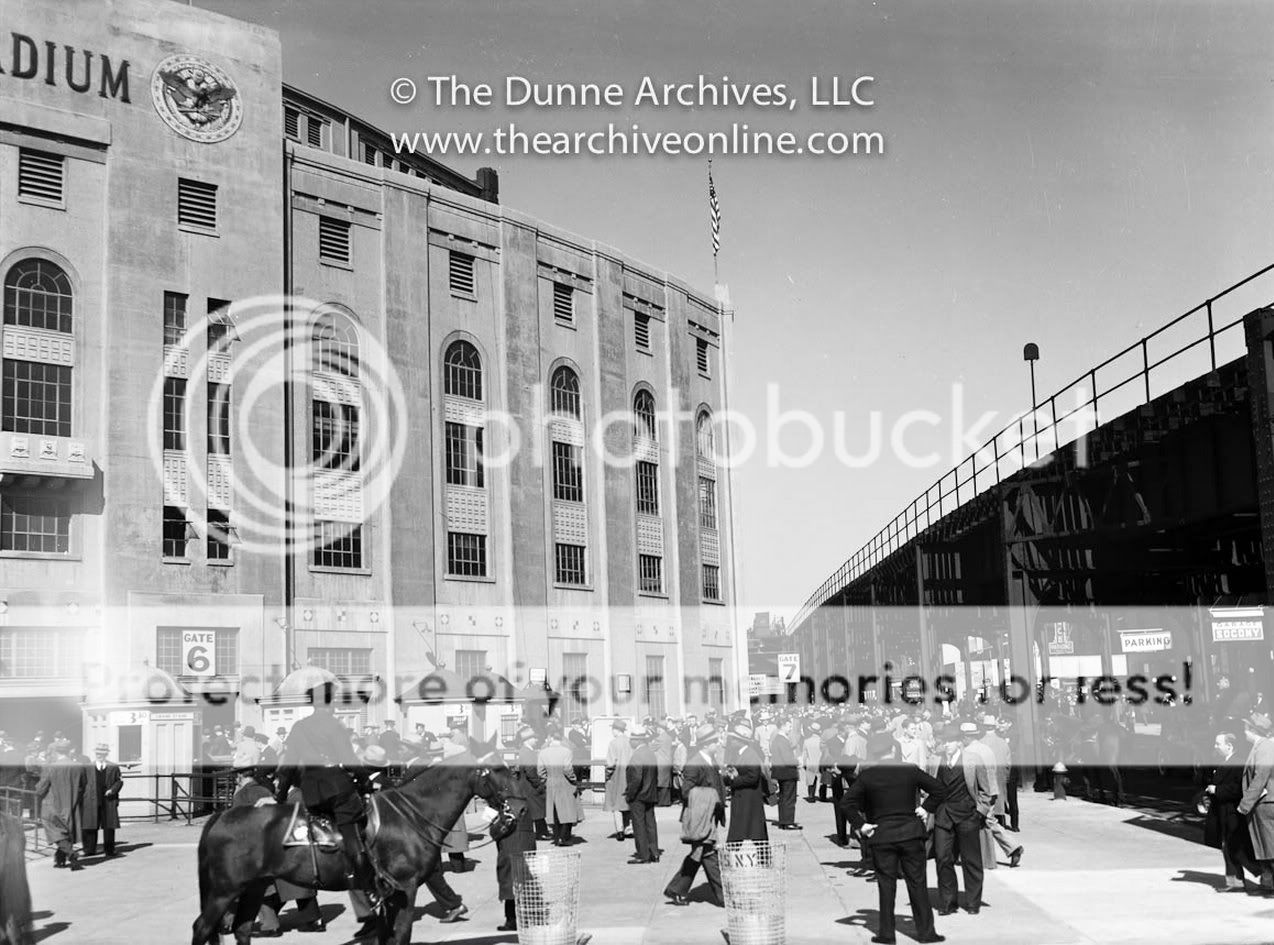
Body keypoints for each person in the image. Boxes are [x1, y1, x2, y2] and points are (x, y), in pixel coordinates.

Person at [273, 683, 378, 905]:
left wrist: (280, 797)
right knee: (352, 836)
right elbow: (349, 759)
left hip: (312, 792)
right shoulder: (334, 725)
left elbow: (287, 767)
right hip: (337, 788)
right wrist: (365, 779)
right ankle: (368, 887)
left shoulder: (299, 727)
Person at [841, 732, 947, 945]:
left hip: (882, 835)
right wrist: (925, 809)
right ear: (892, 750)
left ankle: (887, 934)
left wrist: (862, 825)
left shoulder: (868, 776)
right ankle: (926, 933)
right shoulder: (909, 770)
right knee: (917, 883)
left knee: (886, 885)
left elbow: (846, 803)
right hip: (910, 833)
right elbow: (939, 790)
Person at [932, 723, 993, 915]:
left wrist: (980, 811)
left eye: (950, 742)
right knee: (942, 858)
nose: (947, 745)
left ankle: (973, 902)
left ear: (959, 743)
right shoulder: (936, 760)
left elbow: (985, 789)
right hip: (943, 815)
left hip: (967, 815)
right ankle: (948, 902)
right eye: (944, 741)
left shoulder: (972, 760)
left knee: (971, 860)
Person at [664, 723, 727, 907]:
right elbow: (686, 792)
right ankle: (724, 896)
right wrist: (713, 796)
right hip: (700, 819)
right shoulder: (694, 763)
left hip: (708, 817)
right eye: (716, 741)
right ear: (707, 744)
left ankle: (675, 889)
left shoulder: (710, 759)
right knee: (708, 855)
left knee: (699, 854)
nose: (718, 743)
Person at [1206, 729, 1257, 891]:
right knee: (1227, 846)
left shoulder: (1238, 763)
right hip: (1222, 812)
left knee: (1235, 847)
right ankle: (1235, 881)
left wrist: (1217, 790)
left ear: (1229, 746)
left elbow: (1239, 789)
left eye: (1218, 744)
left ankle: (1262, 872)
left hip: (1232, 813)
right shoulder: (1223, 762)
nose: (1215, 747)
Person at [35, 740, 86, 869]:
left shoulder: (50, 767)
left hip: (52, 805)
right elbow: (83, 786)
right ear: (68, 750)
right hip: (71, 803)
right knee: (66, 831)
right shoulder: (79, 766)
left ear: (55, 751)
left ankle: (71, 853)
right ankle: (59, 860)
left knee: (56, 832)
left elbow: (41, 788)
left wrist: (36, 787)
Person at [1237, 711, 1274, 889]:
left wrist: (1245, 804)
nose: (1243, 731)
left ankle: (1269, 881)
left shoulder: (1265, 747)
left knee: (1269, 846)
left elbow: (1261, 776)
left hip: (1266, 804)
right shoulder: (1261, 746)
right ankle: (1268, 881)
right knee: (1266, 846)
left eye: (1246, 727)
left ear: (1252, 729)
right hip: (1263, 803)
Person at [723, 721, 768, 843]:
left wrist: (734, 780)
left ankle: (761, 859)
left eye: (734, 739)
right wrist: (727, 776)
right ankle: (734, 854)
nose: (731, 742)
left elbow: (753, 777)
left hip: (750, 799)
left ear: (741, 741)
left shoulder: (751, 755)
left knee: (755, 832)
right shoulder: (737, 754)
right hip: (741, 798)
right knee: (739, 830)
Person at [538, 727, 582, 845]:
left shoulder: (543, 752)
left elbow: (540, 771)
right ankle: (565, 837)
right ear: (561, 738)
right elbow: (568, 768)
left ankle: (556, 837)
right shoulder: (566, 751)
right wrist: (573, 779)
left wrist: (545, 780)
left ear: (550, 738)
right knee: (568, 811)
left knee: (555, 811)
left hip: (551, 781)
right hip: (564, 782)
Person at [624, 725, 661, 864]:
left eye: (631, 739)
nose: (630, 742)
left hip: (639, 795)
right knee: (650, 824)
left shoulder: (637, 755)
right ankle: (654, 852)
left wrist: (630, 794)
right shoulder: (650, 753)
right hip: (650, 793)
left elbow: (636, 777)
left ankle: (643, 855)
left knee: (638, 825)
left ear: (637, 740)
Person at [80, 744, 122, 857]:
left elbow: (119, 781)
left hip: (108, 800)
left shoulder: (113, 767)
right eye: (98, 753)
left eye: (102, 753)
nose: (100, 755)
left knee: (109, 826)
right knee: (90, 825)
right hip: (91, 799)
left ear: (106, 754)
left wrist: (112, 790)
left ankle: (109, 850)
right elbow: (82, 783)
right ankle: (89, 850)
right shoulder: (87, 767)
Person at [515, 726, 550, 841]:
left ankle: (542, 831)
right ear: (528, 739)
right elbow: (530, 771)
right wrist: (539, 785)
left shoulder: (525, 751)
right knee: (537, 810)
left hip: (526, 785)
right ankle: (541, 832)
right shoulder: (527, 752)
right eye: (534, 738)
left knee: (535, 810)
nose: (536, 740)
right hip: (530, 787)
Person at [603, 720, 633, 841]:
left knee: (616, 804)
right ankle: (629, 829)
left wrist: (607, 776)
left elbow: (610, 763)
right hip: (630, 776)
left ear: (616, 730)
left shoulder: (613, 743)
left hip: (617, 776)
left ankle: (620, 830)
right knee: (628, 803)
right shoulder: (631, 742)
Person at [770, 719, 801, 830]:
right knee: (789, 798)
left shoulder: (777, 739)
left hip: (781, 773)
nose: (790, 728)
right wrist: (798, 761)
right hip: (787, 773)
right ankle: (788, 822)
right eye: (788, 726)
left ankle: (784, 820)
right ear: (782, 726)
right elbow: (787, 759)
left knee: (783, 797)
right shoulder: (782, 740)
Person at [653, 722, 675, 807]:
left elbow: (651, 747)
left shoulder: (659, 738)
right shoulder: (669, 737)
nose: (657, 730)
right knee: (666, 782)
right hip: (668, 762)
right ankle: (667, 801)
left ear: (660, 729)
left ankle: (662, 802)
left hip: (661, 762)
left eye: (658, 728)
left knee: (661, 783)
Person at [802, 721, 823, 803]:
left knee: (811, 781)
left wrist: (804, 764)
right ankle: (822, 796)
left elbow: (804, 754)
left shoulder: (806, 741)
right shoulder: (821, 741)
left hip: (810, 762)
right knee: (821, 781)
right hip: (820, 762)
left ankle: (811, 796)